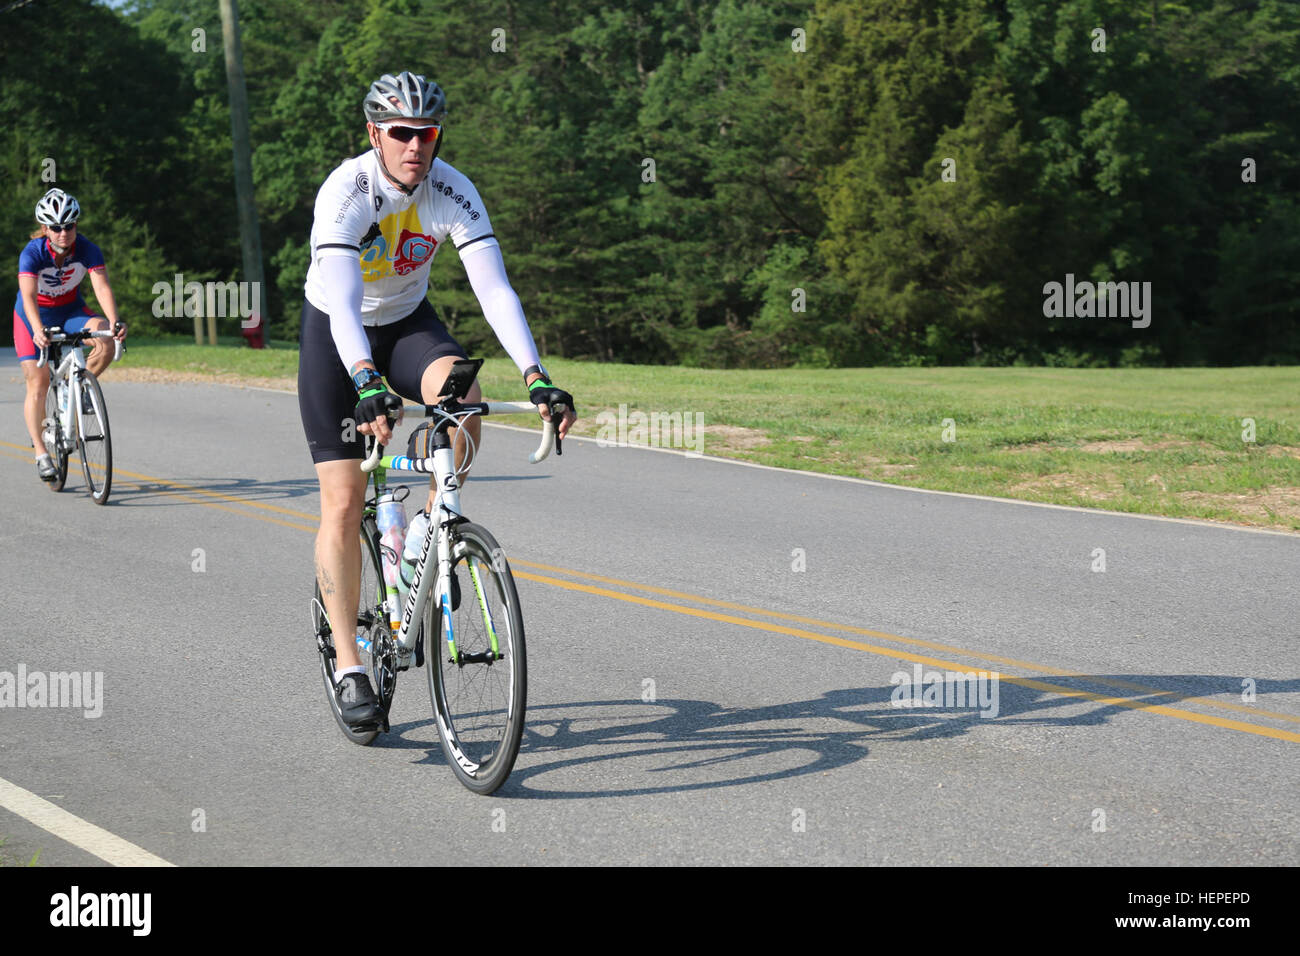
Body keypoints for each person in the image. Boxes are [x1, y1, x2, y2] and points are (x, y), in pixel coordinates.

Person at [300, 71, 575, 728]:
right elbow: (340, 304)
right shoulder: (347, 192)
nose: (415, 145)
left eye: (426, 133)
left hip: (407, 325)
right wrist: (365, 381)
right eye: (401, 133)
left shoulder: (452, 189)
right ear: (375, 134)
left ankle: (430, 530)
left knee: (467, 396)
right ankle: (348, 665)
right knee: (342, 502)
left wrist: (536, 375)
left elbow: (494, 289)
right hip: (338, 334)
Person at [14, 188, 126, 482]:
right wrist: (38, 330)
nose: (64, 233)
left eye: (70, 226)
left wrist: (114, 322)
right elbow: (28, 297)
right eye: (56, 227)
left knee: (105, 339)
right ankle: (41, 453)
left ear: (77, 225)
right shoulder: (33, 253)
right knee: (37, 383)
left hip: (70, 311)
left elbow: (101, 287)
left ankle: (78, 386)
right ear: (44, 229)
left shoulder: (88, 249)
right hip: (33, 316)